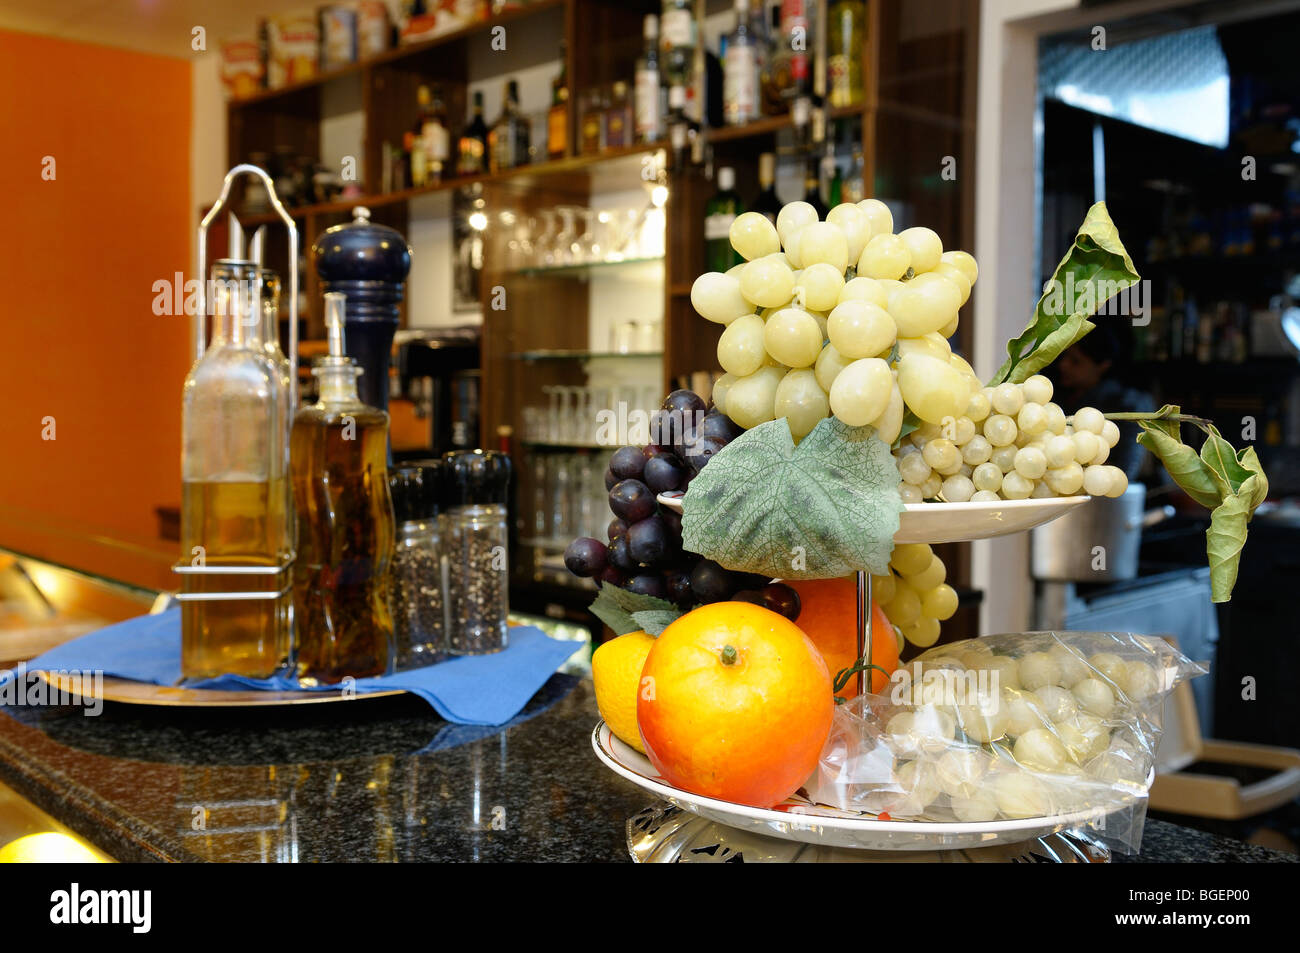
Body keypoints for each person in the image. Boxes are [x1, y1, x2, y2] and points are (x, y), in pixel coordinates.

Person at [1052, 323, 1154, 480]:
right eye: (1064, 357)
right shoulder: (1062, 397)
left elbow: (1124, 470)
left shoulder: (1128, 404)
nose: (1063, 365)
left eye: (1075, 361)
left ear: (1103, 365)